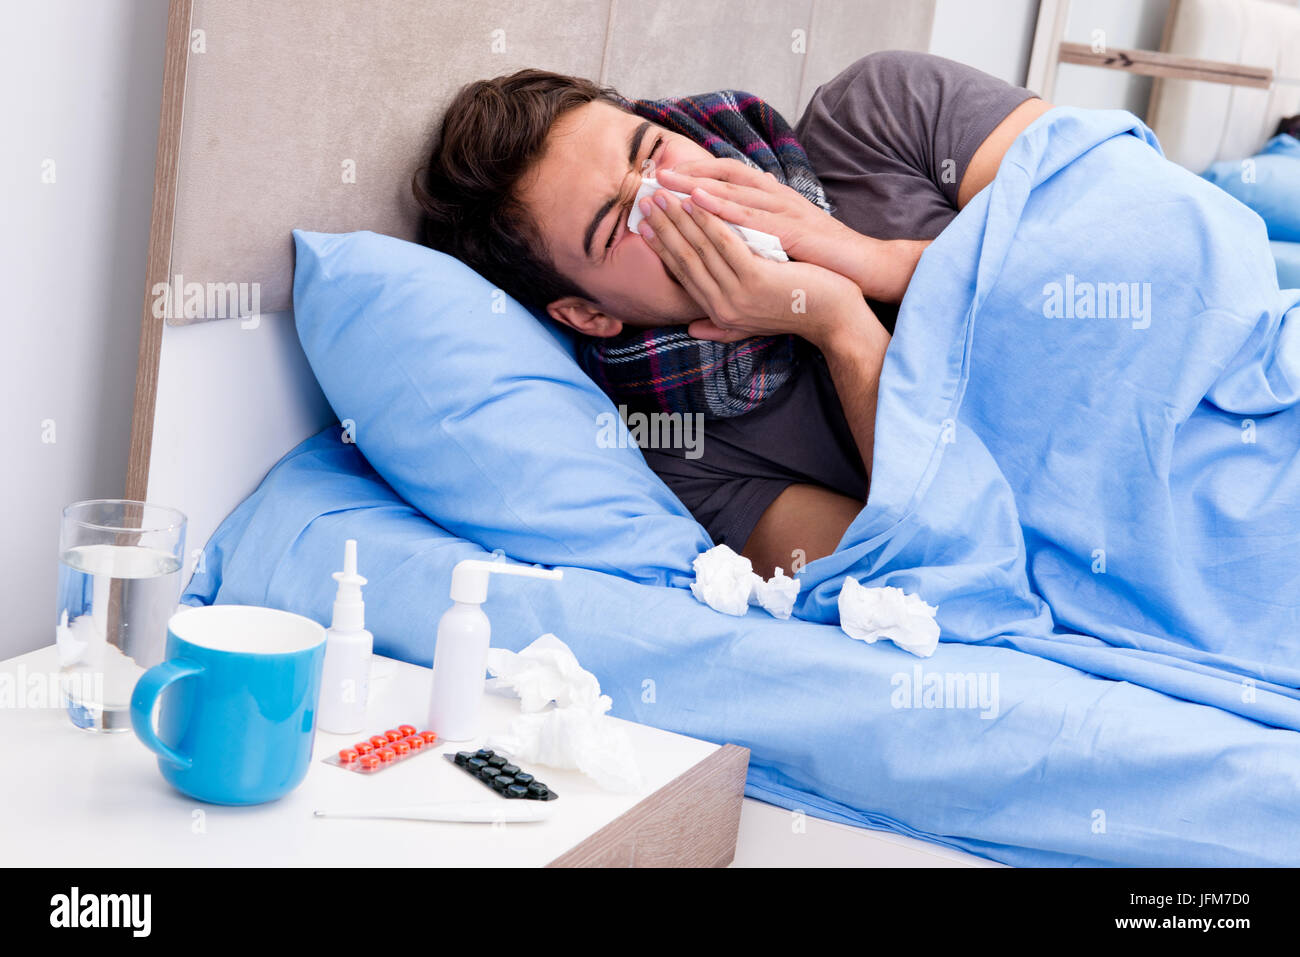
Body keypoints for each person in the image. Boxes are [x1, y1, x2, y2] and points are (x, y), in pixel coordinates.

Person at [414, 51, 1051, 576]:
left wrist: (873, 260)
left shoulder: (880, 110)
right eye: (619, 227)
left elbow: (1116, 246)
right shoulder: (686, 458)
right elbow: (933, 573)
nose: (678, 200)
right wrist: (836, 322)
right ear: (588, 314)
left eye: (652, 153)